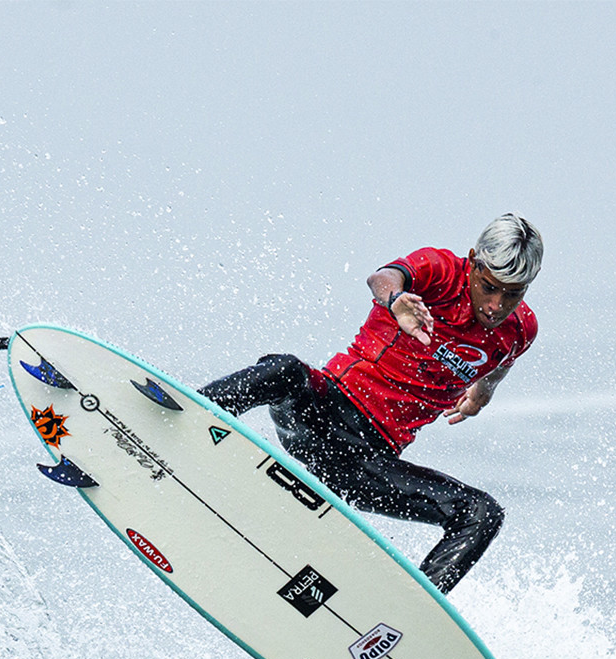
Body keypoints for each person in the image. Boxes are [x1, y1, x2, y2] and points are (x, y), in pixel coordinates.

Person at [200, 214, 541, 593]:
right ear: (473, 260)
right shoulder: (440, 270)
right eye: (489, 287)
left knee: (482, 514)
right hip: (321, 415)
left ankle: (418, 613)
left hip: (367, 467)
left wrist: (483, 391)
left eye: (513, 293)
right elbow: (382, 278)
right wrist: (396, 301)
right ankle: (188, 414)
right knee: (284, 370)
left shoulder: (520, 330)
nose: (497, 305)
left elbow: (501, 363)